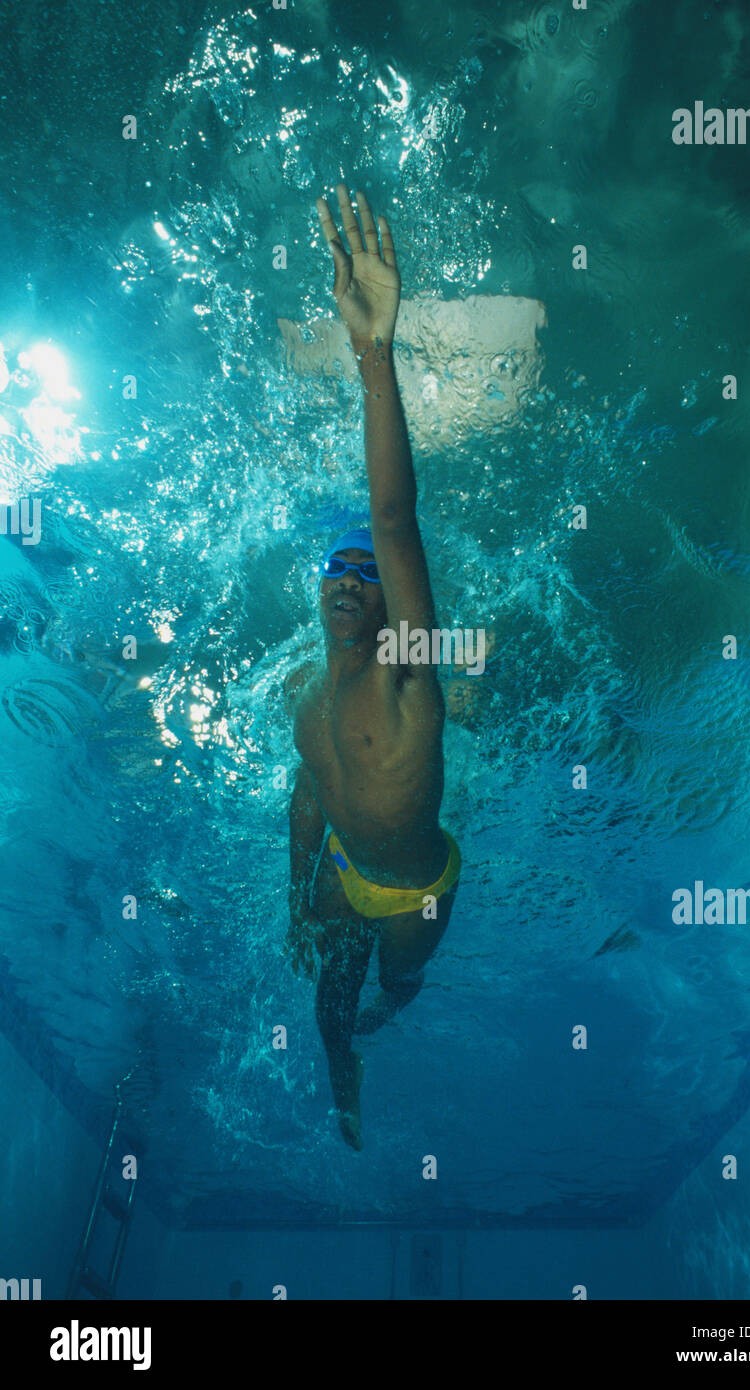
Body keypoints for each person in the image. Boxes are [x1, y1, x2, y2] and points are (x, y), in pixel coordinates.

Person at [285, 184, 461, 1150]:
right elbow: (308, 793)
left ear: (391, 605)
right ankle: (343, 1083)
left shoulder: (406, 677)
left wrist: (372, 355)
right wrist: (293, 888)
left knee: (392, 991)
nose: (350, 576)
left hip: (415, 889)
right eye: (335, 568)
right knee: (324, 1008)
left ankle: (388, 1024)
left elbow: (394, 522)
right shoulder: (302, 696)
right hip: (342, 866)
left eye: (366, 573)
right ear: (319, 593)